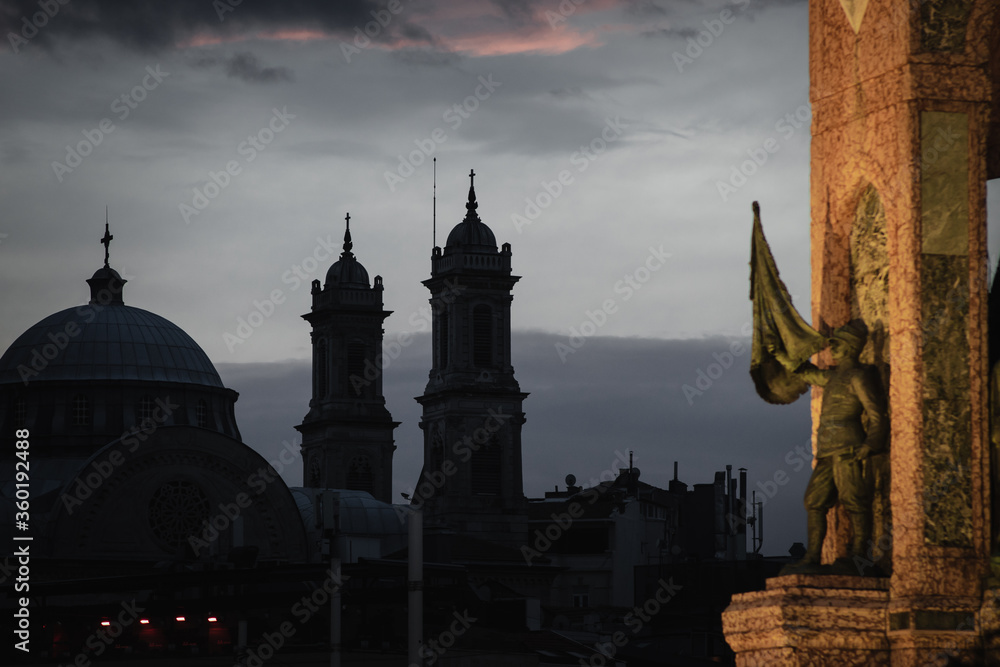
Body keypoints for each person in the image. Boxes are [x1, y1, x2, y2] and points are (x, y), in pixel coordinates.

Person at [771, 322, 887, 571]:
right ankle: (812, 556)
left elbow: (876, 414)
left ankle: (858, 557)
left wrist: (870, 444)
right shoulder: (833, 377)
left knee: (854, 500)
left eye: (837, 343)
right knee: (814, 501)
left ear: (850, 347)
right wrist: (779, 353)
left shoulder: (859, 376)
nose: (832, 347)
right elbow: (804, 372)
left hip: (848, 445)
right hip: (827, 449)